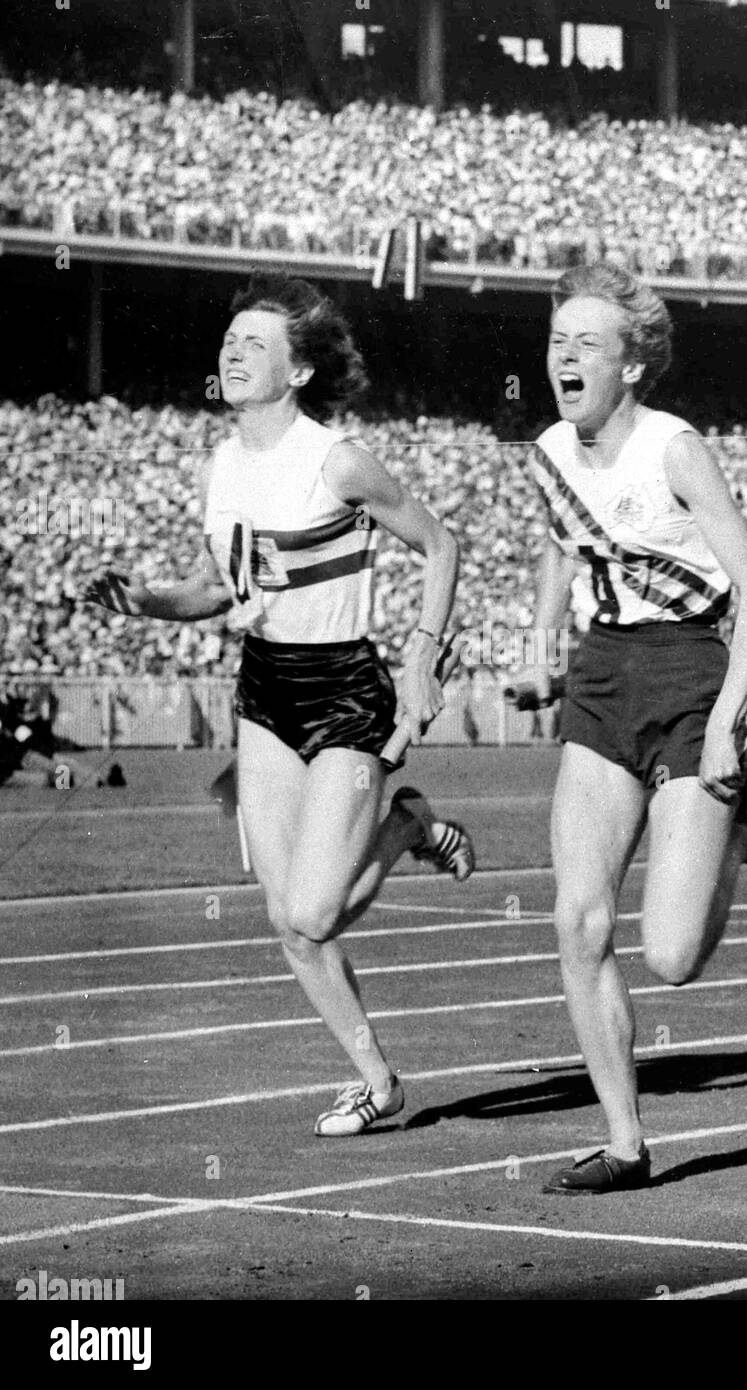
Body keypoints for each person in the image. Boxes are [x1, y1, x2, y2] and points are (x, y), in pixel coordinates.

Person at [85, 275, 472, 1137]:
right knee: (285, 921)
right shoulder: (219, 465)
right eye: (229, 340)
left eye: (255, 343)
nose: (233, 352)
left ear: (297, 373)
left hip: (343, 691)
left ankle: (404, 823)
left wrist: (422, 656)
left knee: (314, 911)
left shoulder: (337, 460)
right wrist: (144, 599)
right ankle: (379, 1083)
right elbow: (223, 590)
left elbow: (440, 543)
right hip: (263, 691)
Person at [523, 262, 747, 1193]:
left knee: (670, 957)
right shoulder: (550, 452)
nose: (566, 357)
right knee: (577, 920)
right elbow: (566, 540)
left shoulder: (675, 450)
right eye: (558, 341)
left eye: (587, 344)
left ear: (631, 366)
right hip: (601, 681)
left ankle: (739, 832)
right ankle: (627, 1143)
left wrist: (726, 723)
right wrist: (542, 639)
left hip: (688, 676)